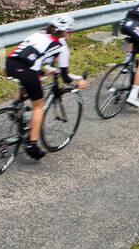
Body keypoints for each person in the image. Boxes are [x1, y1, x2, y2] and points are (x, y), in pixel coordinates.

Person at [6, 13, 87, 158]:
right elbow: (65, 76)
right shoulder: (61, 46)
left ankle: (15, 106)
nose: (68, 35)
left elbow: (36, 57)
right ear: (63, 31)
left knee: (31, 81)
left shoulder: (39, 33)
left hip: (11, 63)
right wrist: (77, 83)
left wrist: (44, 71)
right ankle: (32, 145)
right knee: (38, 106)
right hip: (28, 69)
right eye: (68, 32)